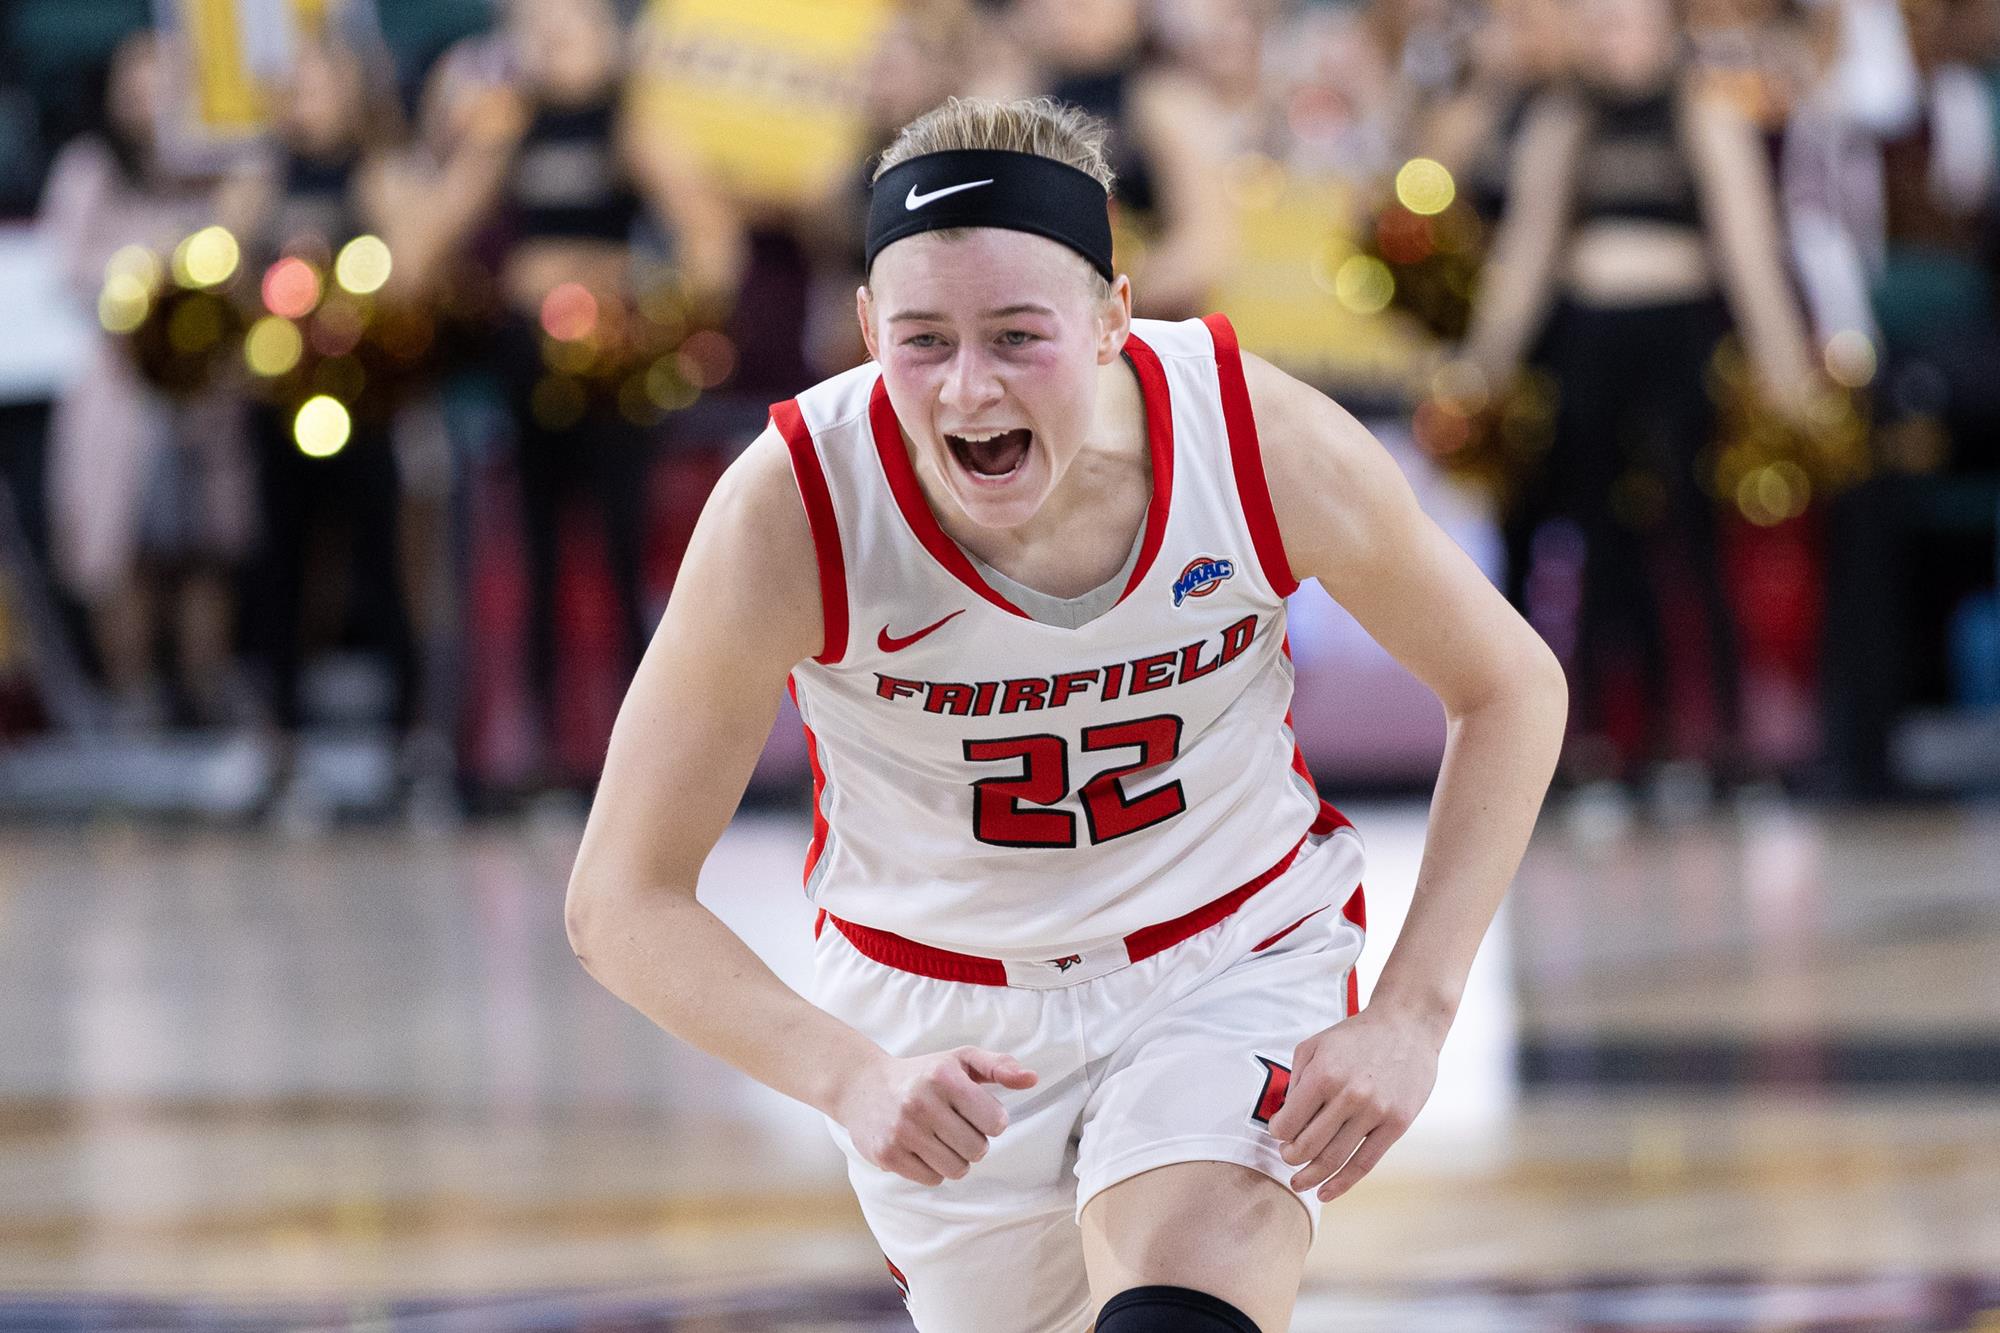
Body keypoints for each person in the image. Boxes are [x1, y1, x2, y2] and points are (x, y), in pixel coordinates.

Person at [565, 97, 1567, 1333]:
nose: (967, 387)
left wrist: (1411, 1013)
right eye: (923, 340)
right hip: (936, 1021)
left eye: (1015, 336)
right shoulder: (791, 506)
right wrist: (847, 1074)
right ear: (867, 328)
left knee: (1185, 1295)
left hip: (1227, 955)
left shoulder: (1252, 437)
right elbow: (619, 900)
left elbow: (1509, 685)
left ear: (1110, 320)